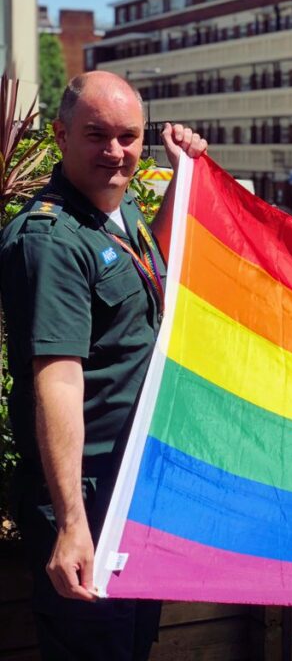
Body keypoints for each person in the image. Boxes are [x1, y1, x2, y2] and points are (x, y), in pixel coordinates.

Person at [0, 71, 208, 660]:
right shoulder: (51, 239)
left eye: (128, 137)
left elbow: (153, 262)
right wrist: (71, 523)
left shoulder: (118, 215)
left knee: (130, 646)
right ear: (62, 135)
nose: (115, 152)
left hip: (128, 488)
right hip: (86, 497)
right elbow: (57, 378)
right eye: (97, 136)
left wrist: (182, 177)